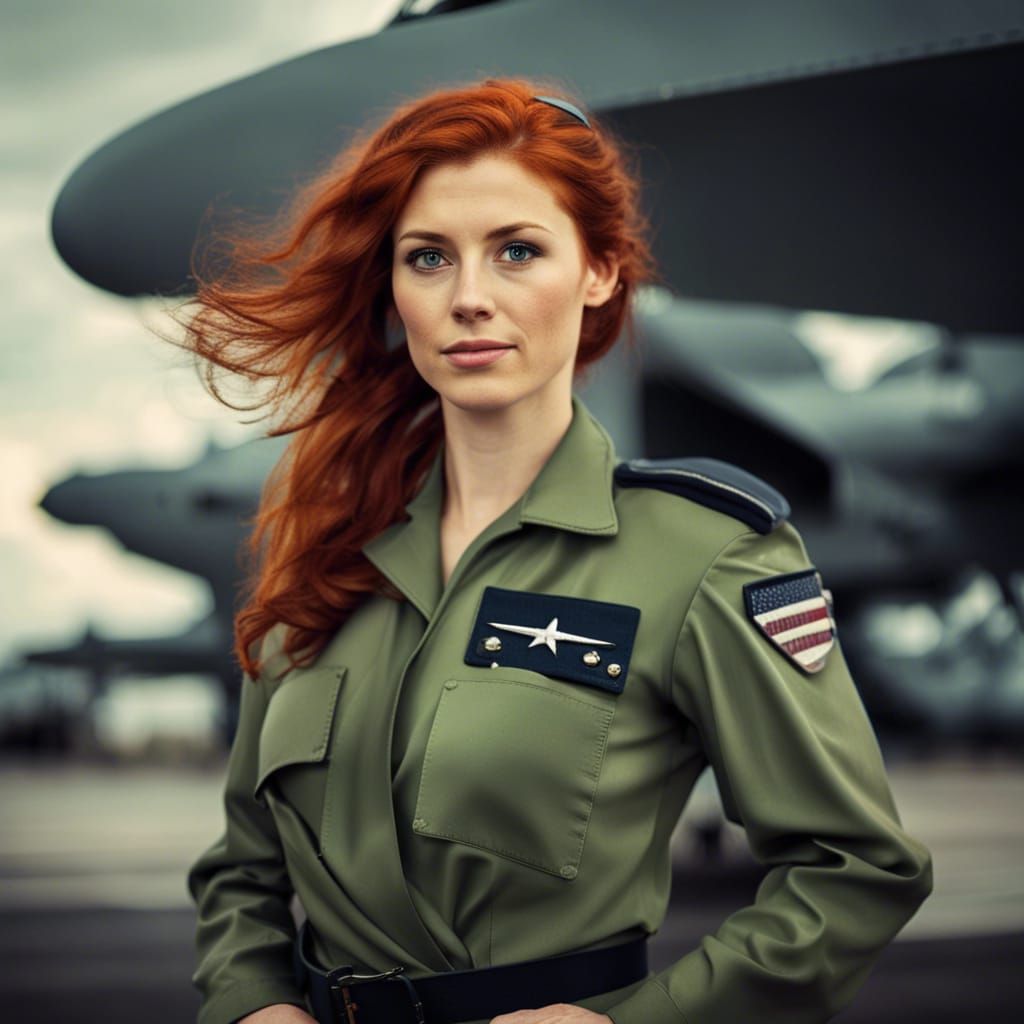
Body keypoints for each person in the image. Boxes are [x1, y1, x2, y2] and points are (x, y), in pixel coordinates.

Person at [181, 78, 932, 1024]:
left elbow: (858, 867)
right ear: (392, 289)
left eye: (518, 252)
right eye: (427, 259)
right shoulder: (324, 557)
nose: (469, 299)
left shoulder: (702, 553)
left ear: (601, 272)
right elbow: (242, 869)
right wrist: (250, 1001)